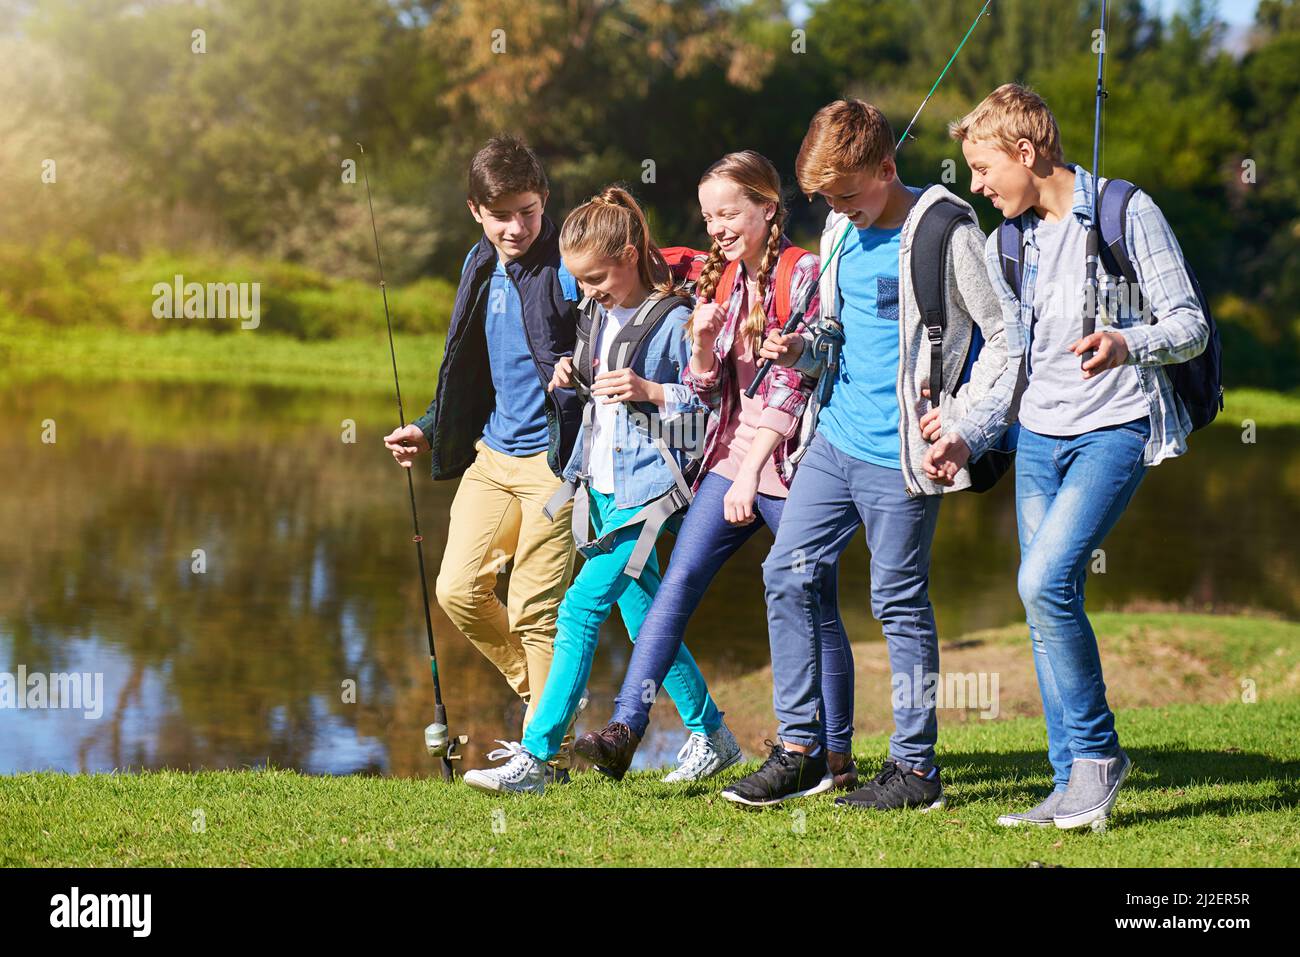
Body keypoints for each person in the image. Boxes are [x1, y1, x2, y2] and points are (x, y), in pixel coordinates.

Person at [721, 99, 1020, 809]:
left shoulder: (947, 230)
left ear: (887, 167)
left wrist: (966, 428)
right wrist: (804, 348)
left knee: (897, 602)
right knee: (786, 575)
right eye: (827, 199)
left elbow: (1006, 337)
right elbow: (834, 331)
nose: (840, 209)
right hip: (835, 438)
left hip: (906, 457)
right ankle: (802, 751)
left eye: (849, 195)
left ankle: (915, 770)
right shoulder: (837, 228)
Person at [950, 83, 1209, 830]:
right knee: (1042, 603)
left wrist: (1129, 340)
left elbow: (1188, 321)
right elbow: (1006, 359)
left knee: (1043, 578)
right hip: (1037, 435)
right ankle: (1070, 785)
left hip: (1116, 428)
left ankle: (1098, 756)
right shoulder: (1012, 239)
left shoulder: (1127, 213)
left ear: (1026, 152)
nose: (975, 183)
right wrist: (967, 427)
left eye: (982, 166)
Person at [574, 151, 857, 789]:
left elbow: (793, 382)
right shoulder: (718, 280)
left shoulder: (804, 272)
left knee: (816, 600)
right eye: (708, 217)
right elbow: (703, 393)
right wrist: (701, 344)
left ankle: (835, 756)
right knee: (675, 587)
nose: (717, 228)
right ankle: (625, 728)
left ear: (766, 206)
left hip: (792, 460)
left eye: (728, 213)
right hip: (730, 457)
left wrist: (755, 471)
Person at [463, 186, 726, 795]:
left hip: (647, 495)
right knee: (647, 620)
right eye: (579, 282)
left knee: (578, 610)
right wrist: (568, 376)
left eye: (597, 279)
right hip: (598, 486)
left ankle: (537, 755)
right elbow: (594, 399)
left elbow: (704, 413)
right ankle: (711, 732)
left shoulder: (674, 320)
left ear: (631, 254)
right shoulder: (596, 316)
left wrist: (649, 390)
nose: (587, 293)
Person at [381, 136, 582, 776]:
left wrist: (585, 378)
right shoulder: (477, 265)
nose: (517, 226)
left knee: (534, 607)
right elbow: (472, 375)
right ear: (476, 211)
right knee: (459, 590)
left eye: (528, 210)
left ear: (543, 200)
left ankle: (540, 753)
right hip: (492, 460)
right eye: (502, 215)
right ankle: (553, 708)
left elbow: (623, 329)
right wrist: (429, 426)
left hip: (559, 467)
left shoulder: (569, 264)